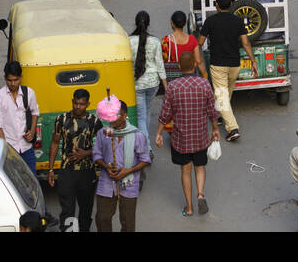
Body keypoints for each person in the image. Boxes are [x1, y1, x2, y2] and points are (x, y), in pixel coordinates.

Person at [156, 51, 219, 217]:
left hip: (181, 139)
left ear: (179, 67)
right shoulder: (204, 85)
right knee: (200, 167)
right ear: (194, 66)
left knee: (185, 170)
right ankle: (200, 194)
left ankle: (189, 208)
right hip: (200, 137)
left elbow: (165, 114)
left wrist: (159, 133)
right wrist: (215, 129)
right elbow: (212, 111)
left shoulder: (173, 87)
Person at [197, 0, 258, 142]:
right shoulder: (238, 21)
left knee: (222, 96)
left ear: (216, 4)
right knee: (226, 94)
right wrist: (253, 61)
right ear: (231, 4)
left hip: (218, 65)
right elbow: (245, 43)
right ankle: (218, 115)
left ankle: (232, 129)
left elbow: (199, 43)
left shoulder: (210, 22)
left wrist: (195, 60)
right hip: (234, 65)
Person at [92, 98, 151, 233]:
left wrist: (127, 171)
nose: (111, 119)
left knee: (128, 222)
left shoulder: (137, 135)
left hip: (129, 184)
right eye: (110, 116)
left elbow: (145, 160)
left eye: (115, 116)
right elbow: (96, 155)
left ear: (124, 116)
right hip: (106, 182)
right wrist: (106, 167)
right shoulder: (103, 133)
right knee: (102, 218)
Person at [47, 88, 100, 233]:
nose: (78, 107)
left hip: (87, 172)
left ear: (88, 104)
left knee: (85, 211)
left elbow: (104, 147)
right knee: (67, 212)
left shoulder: (94, 121)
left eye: (82, 104)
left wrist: (86, 153)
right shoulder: (62, 119)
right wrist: (51, 169)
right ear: (72, 101)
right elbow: (55, 143)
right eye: (76, 103)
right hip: (67, 172)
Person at [0, 60, 40, 173]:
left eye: (16, 80)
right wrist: (6, 149)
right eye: (10, 80)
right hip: (10, 148)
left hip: (26, 148)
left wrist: (32, 131)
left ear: (21, 77)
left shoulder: (29, 93)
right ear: (5, 78)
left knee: (32, 181)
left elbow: (35, 112)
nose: (13, 84)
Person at [130, 11, 167, 143]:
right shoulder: (155, 41)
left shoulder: (129, 41)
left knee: (141, 115)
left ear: (135, 23)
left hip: (137, 83)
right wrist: (166, 86)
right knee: (146, 110)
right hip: (153, 84)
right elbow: (160, 65)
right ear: (149, 23)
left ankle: (145, 147)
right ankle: (146, 145)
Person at [161, 10, 207, 81]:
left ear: (172, 23)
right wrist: (205, 76)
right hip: (189, 78)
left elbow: (164, 61)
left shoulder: (165, 40)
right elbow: (198, 61)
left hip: (173, 80)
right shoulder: (192, 39)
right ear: (185, 23)